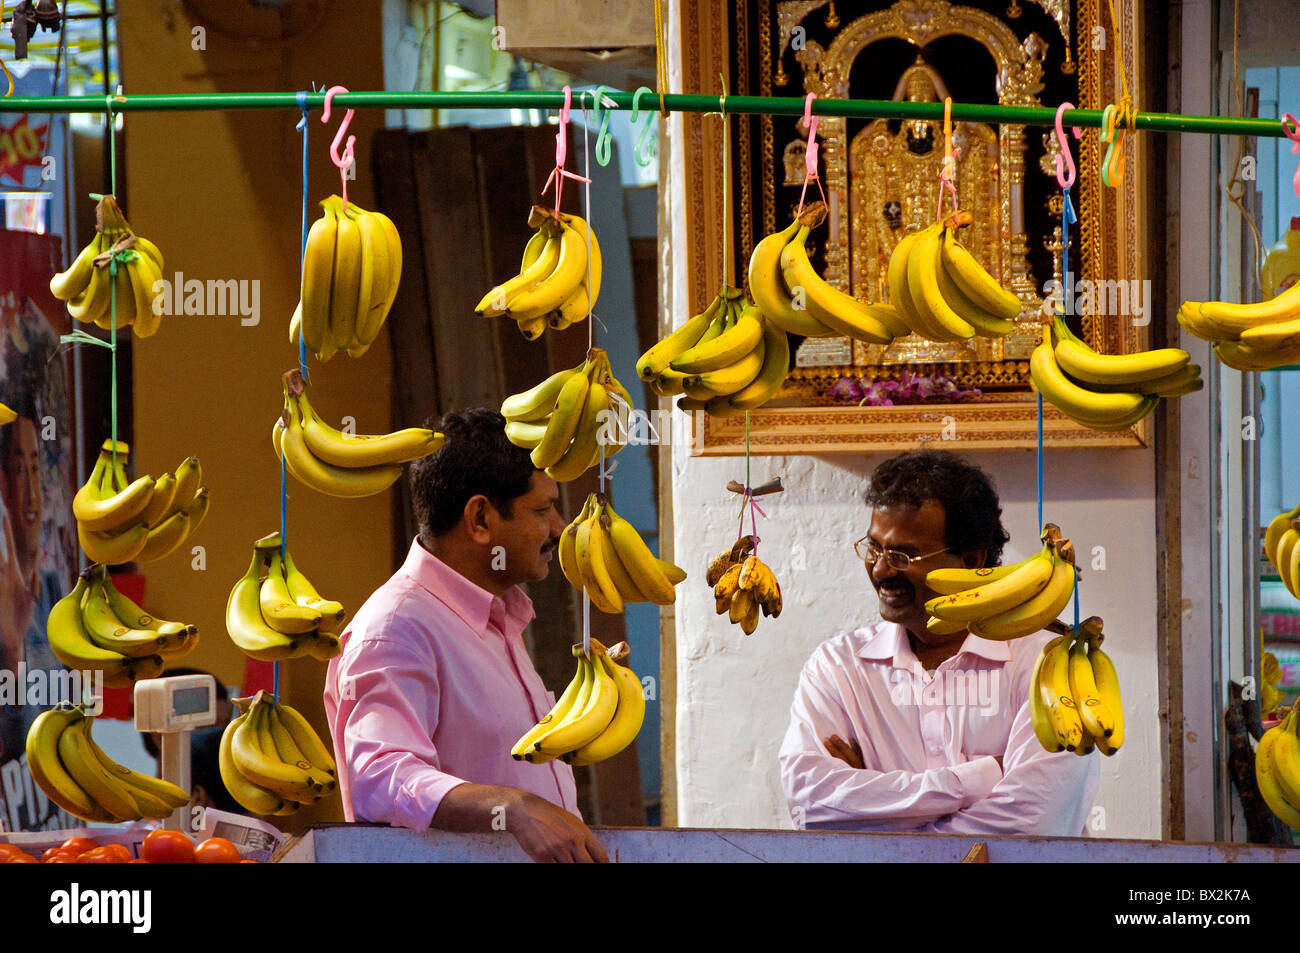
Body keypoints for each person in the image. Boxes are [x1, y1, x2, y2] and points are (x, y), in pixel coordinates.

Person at [323, 408, 609, 863]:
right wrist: (513, 808)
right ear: (480, 519)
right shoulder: (395, 629)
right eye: (542, 509)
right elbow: (380, 776)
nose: (559, 527)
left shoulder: (498, 617)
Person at [778, 449, 1098, 835]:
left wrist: (876, 814)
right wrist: (984, 776)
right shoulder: (837, 667)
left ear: (972, 559)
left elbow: (1036, 823)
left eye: (903, 555)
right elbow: (809, 802)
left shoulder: (1047, 664)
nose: (880, 569)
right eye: (875, 548)